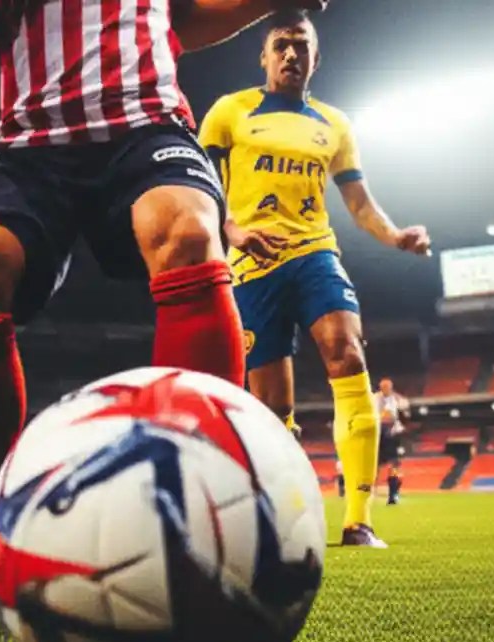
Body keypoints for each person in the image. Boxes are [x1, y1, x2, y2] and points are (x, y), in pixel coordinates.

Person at [0, 0, 327, 599]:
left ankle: (203, 511)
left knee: (188, 232)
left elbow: (179, 17)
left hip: (145, 125)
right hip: (33, 142)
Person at [197, 10, 431, 549]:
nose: (290, 54)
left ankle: (358, 520)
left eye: (301, 45)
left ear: (316, 58)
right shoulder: (229, 112)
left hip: (314, 253)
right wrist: (231, 229)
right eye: (281, 44)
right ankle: (283, 515)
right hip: (252, 268)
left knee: (348, 353)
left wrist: (396, 237)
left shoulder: (335, 124)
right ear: (263, 55)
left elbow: (358, 202)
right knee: (272, 411)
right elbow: (202, 187)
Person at [374, 377, 410, 505]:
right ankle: (370, 492)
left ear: (391, 387)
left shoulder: (398, 400)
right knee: (373, 465)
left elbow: (402, 416)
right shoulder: (374, 399)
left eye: (388, 387)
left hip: (393, 435)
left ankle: (393, 495)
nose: (385, 389)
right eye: (383, 387)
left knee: (394, 465)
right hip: (378, 435)